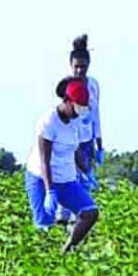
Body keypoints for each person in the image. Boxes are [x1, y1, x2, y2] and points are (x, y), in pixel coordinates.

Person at [24, 79, 98, 252]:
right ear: (66, 101)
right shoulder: (48, 121)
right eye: (75, 108)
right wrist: (50, 191)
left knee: (90, 213)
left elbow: (76, 149)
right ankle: (42, 263)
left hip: (66, 179)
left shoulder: (77, 121)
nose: (76, 113)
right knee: (44, 227)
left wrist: (87, 170)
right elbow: (45, 160)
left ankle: (66, 250)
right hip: (41, 178)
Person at [70, 34, 103, 168]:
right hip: (70, 143)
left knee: (86, 183)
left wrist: (99, 144)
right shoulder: (67, 86)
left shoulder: (93, 85)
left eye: (83, 66)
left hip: (87, 141)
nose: (79, 70)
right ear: (70, 65)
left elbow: (96, 115)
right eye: (76, 66)